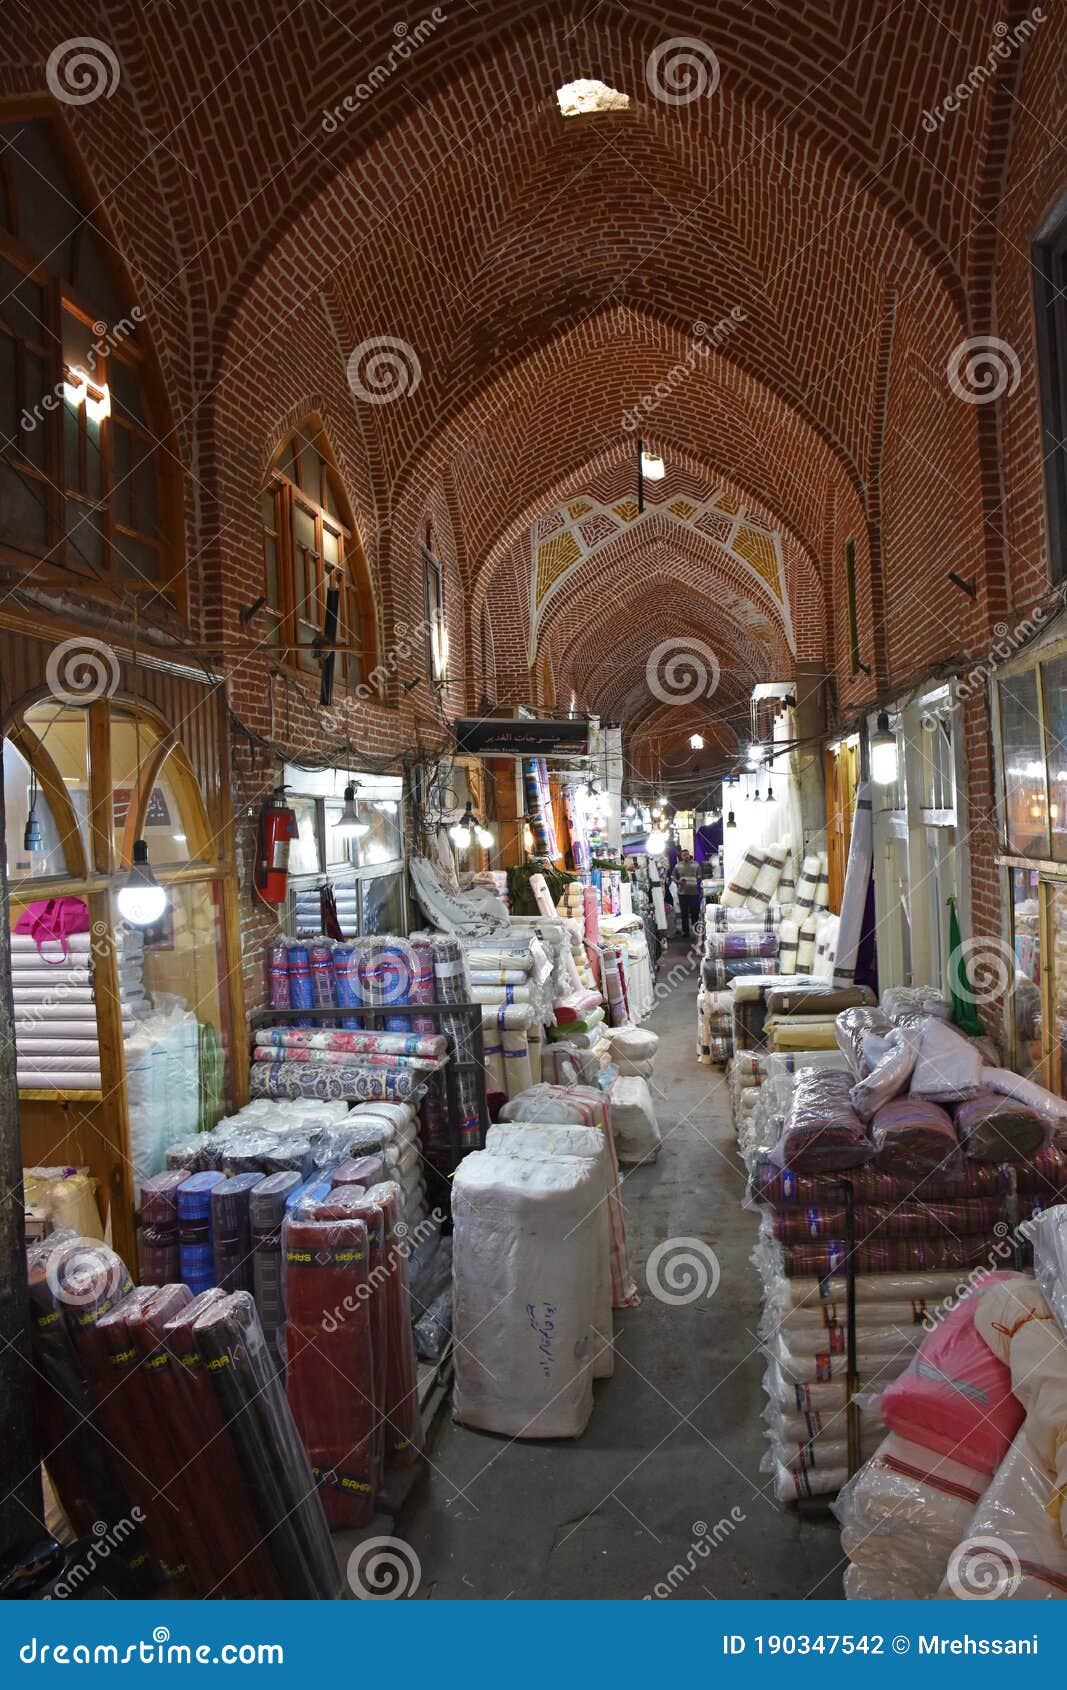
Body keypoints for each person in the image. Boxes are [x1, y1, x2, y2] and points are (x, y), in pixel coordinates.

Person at [675, 850, 702, 939]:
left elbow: (699, 877)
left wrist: (699, 887)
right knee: (684, 913)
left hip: (694, 893)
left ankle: (695, 930)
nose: (686, 856)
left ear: (689, 855)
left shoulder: (696, 865)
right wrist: (678, 881)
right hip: (682, 893)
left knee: (695, 912)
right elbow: (673, 877)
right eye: (684, 855)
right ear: (681, 856)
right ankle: (685, 932)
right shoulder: (677, 866)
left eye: (687, 854)